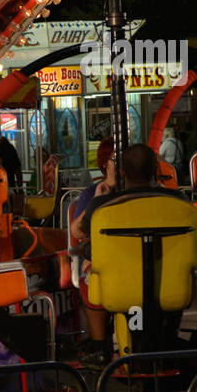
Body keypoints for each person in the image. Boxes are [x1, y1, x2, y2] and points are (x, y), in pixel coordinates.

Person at [71, 143, 182, 365]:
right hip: (166, 280)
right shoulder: (176, 201)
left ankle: (100, 344)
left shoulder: (102, 204)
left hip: (117, 282)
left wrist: (99, 196)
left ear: (121, 171)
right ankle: (168, 337)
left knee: (89, 276)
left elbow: (76, 231)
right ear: (155, 170)